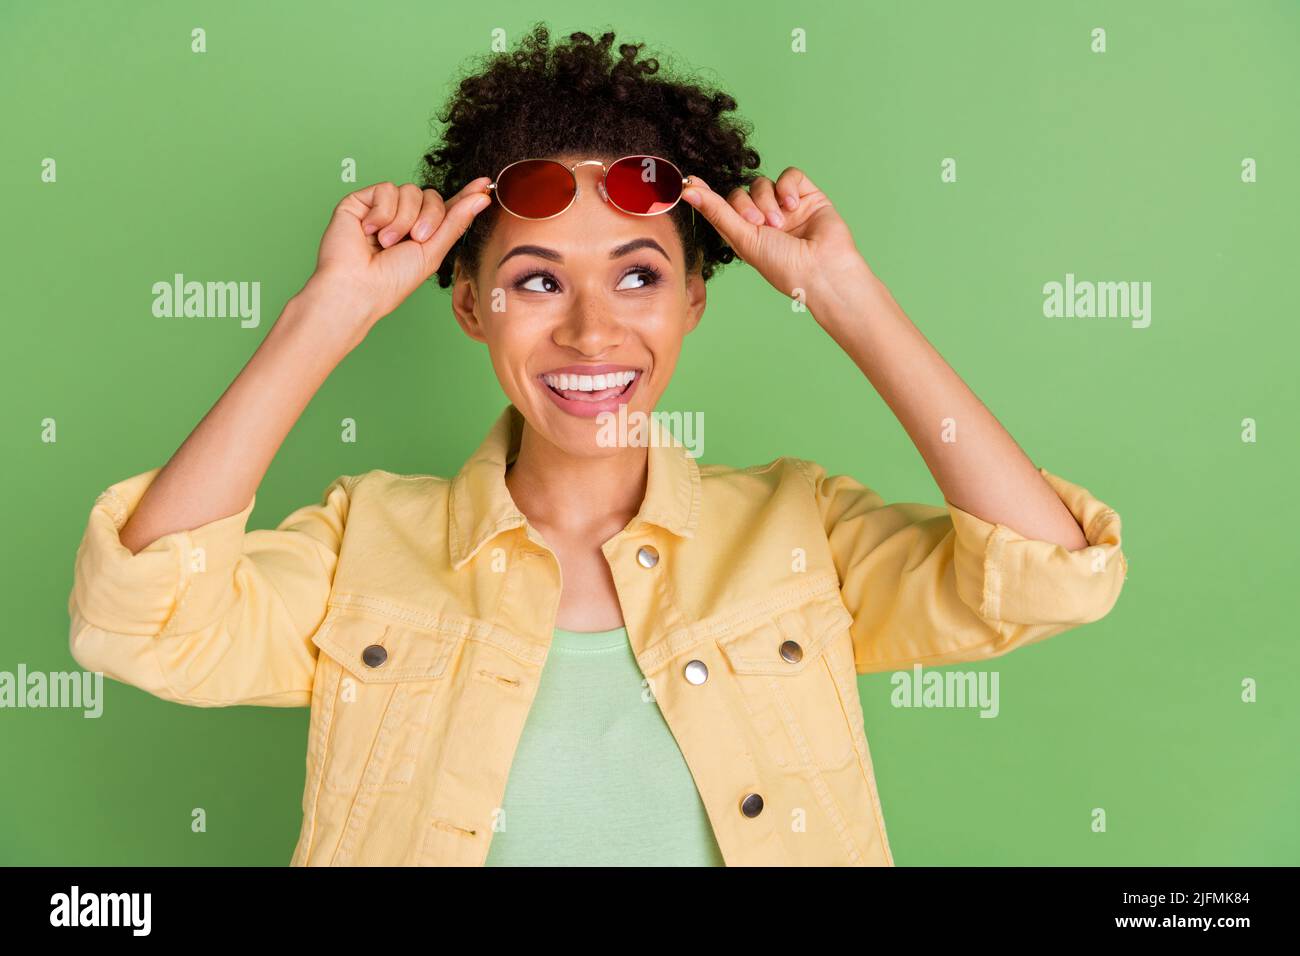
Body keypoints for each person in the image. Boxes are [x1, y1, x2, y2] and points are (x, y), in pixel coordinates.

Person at [67, 24, 1127, 866]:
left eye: (637, 275)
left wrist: (848, 300)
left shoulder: (802, 530)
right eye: (534, 279)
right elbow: (141, 624)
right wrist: (328, 314)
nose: (589, 331)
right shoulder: (366, 541)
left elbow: (1049, 580)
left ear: (695, 300)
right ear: (470, 306)